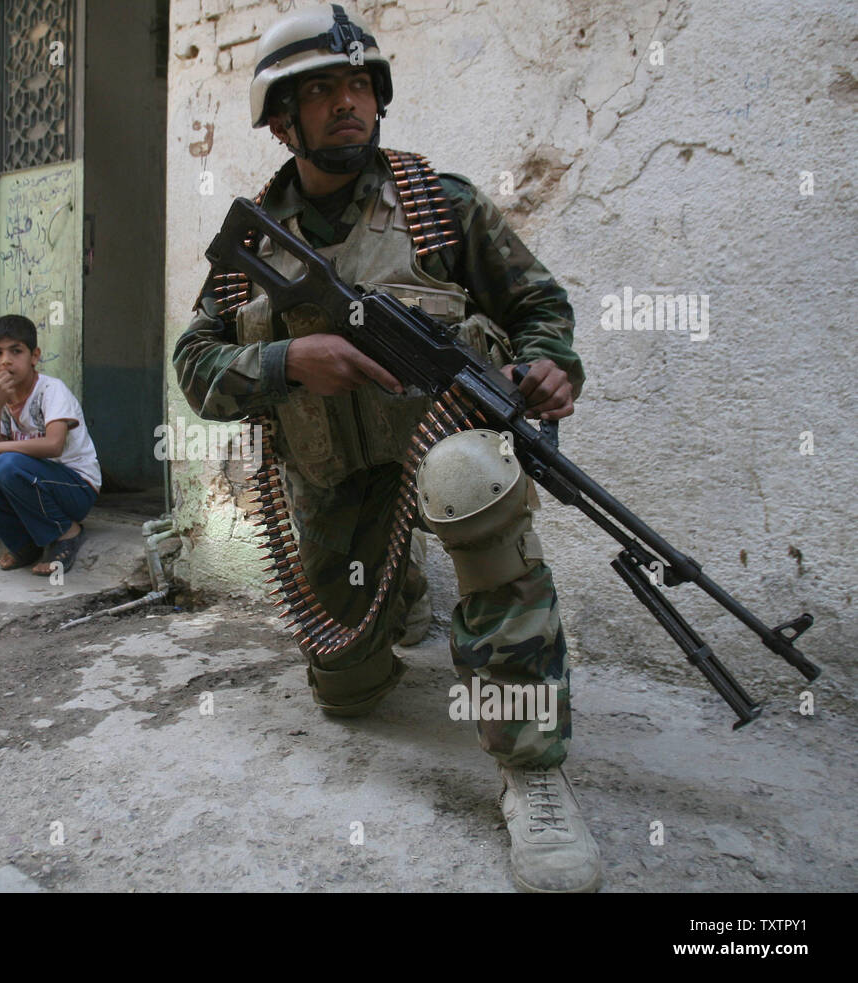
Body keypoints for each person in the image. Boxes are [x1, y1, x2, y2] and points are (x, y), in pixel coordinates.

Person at [173, 4, 596, 892]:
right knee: (348, 693)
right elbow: (196, 364)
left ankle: (532, 770)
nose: (346, 103)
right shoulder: (252, 242)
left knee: (473, 475)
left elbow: (539, 308)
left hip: (450, 463)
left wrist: (552, 363)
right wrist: (291, 359)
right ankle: (391, 582)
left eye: (358, 84)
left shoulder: (440, 206)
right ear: (280, 119)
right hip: (331, 475)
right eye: (319, 90)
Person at [0, 315, 99, 575]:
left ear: (34, 356)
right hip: (35, 482)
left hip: (76, 487)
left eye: (16, 351)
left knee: (8, 464)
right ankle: (23, 543)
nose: (6, 360)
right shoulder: (2, 399)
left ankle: (66, 531)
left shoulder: (52, 390)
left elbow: (54, 445)